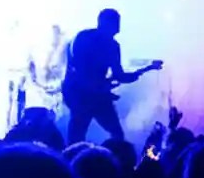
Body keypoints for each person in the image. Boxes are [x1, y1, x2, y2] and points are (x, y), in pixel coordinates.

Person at [63, 9, 161, 144]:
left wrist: (147, 68)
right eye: (116, 22)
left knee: (115, 134)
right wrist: (97, 87)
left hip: (93, 95)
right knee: (79, 136)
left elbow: (119, 75)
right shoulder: (84, 39)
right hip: (81, 95)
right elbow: (78, 70)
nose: (118, 27)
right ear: (105, 23)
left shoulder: (112, 46)